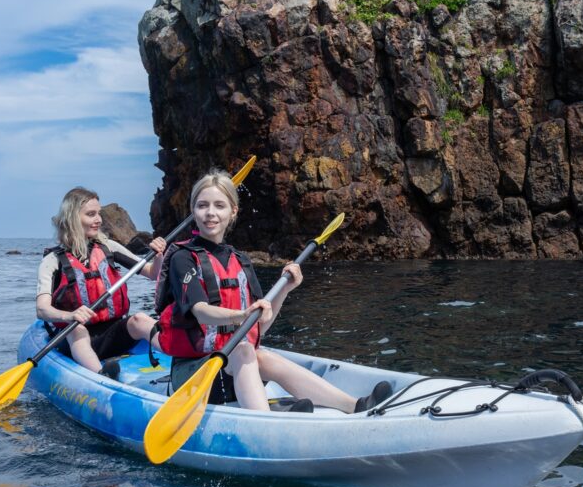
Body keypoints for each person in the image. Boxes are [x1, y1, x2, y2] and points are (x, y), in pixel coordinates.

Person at [156, 169, 392, 413]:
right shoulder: (182, 258)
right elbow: (200, 312)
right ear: (193, 211)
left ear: (233, 211)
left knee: (258, 353)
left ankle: (355, 406)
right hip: (193, 375)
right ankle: (265, 424)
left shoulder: (241, 261)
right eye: (202, 205)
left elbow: (260, 326)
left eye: (219, 205)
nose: (211, 213)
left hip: (232, 366)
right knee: (246, 350)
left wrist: (285, 289)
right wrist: (241, 315)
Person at [36, 186, 167, 379]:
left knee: (140, 319)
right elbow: (42, 310)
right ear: (73, 218)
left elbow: (153, 274)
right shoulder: (52, 261)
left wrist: (158, 256)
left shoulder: (109, 248)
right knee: (77, 330)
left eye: (99, 213)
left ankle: (184, 355)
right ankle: (101, 375)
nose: (98, 219)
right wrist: (70, 315)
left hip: (112, 333)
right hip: (75, 338)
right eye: (91, 214)